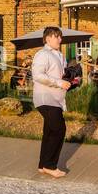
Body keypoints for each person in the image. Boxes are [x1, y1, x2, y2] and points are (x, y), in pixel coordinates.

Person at [32, 27, 71, 178]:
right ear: (48, 39)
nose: (60, 40)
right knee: (59, 129)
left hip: (57, 99)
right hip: (45, 98)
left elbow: (62, 77)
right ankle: (50, 165)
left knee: (49, 132)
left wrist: (71, 80)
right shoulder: (42, 54)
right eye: (57, 37)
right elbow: (38, 75)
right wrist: (59, 83)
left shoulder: (60, 55)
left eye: (60, 37)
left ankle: (43, 165)